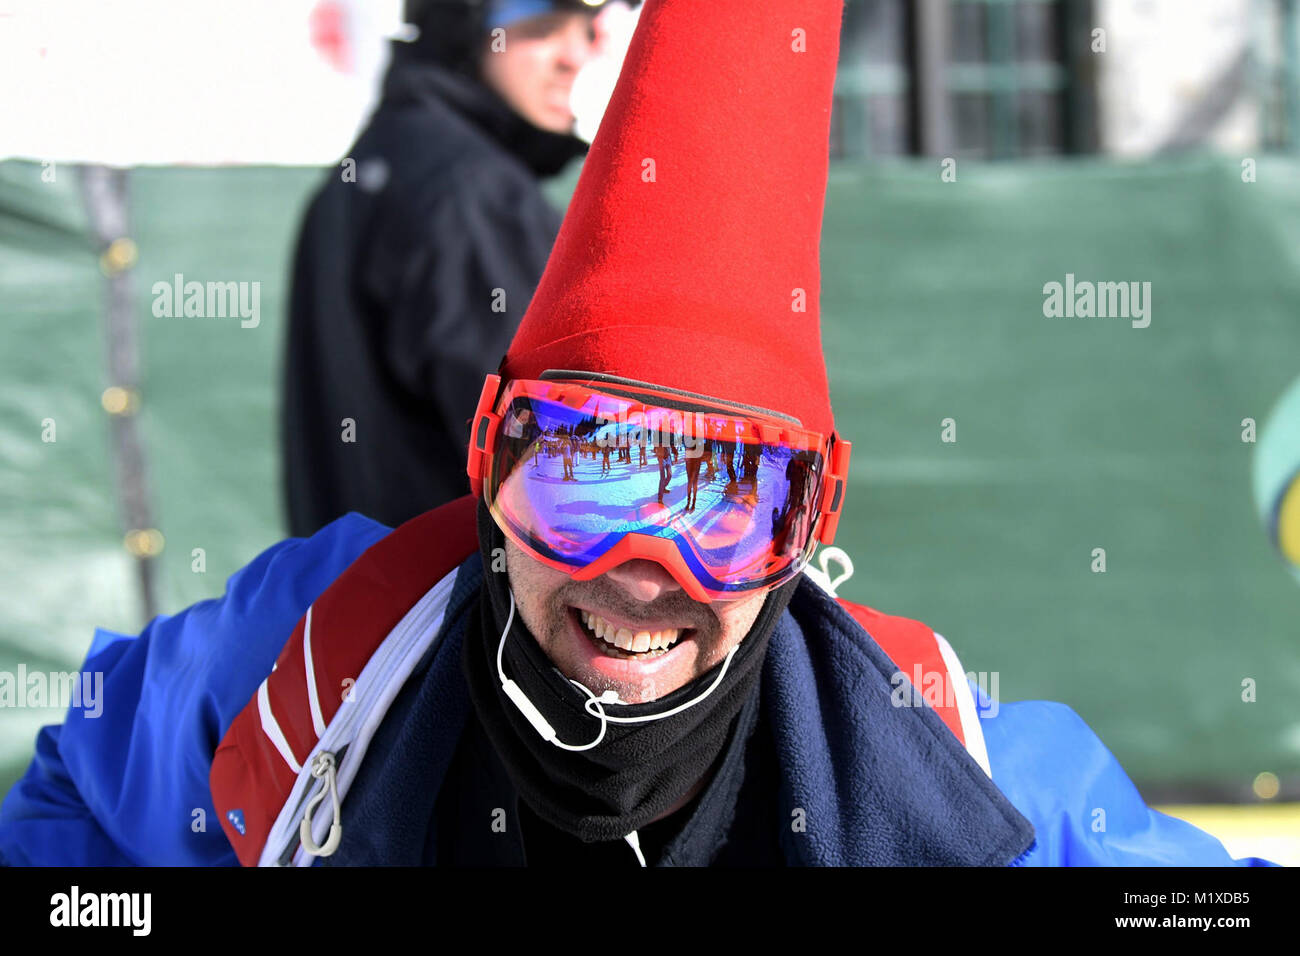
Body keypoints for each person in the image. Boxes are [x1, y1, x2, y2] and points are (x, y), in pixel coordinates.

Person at [0, 0, 1275, 868]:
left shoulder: (962, 781)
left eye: (729, 495)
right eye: (592, 466)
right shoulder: (308, 659)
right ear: (490, 457)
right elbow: (77, 818)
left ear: (808, 535)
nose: (646, 565)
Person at [281, 0, 612, 537]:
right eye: (544, 28)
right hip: (459, 607)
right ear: (465, 31)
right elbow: (556, 466)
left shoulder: (374, 165)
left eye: (587, 29)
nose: (575, 56)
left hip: (373, 606)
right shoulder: (471, 192)